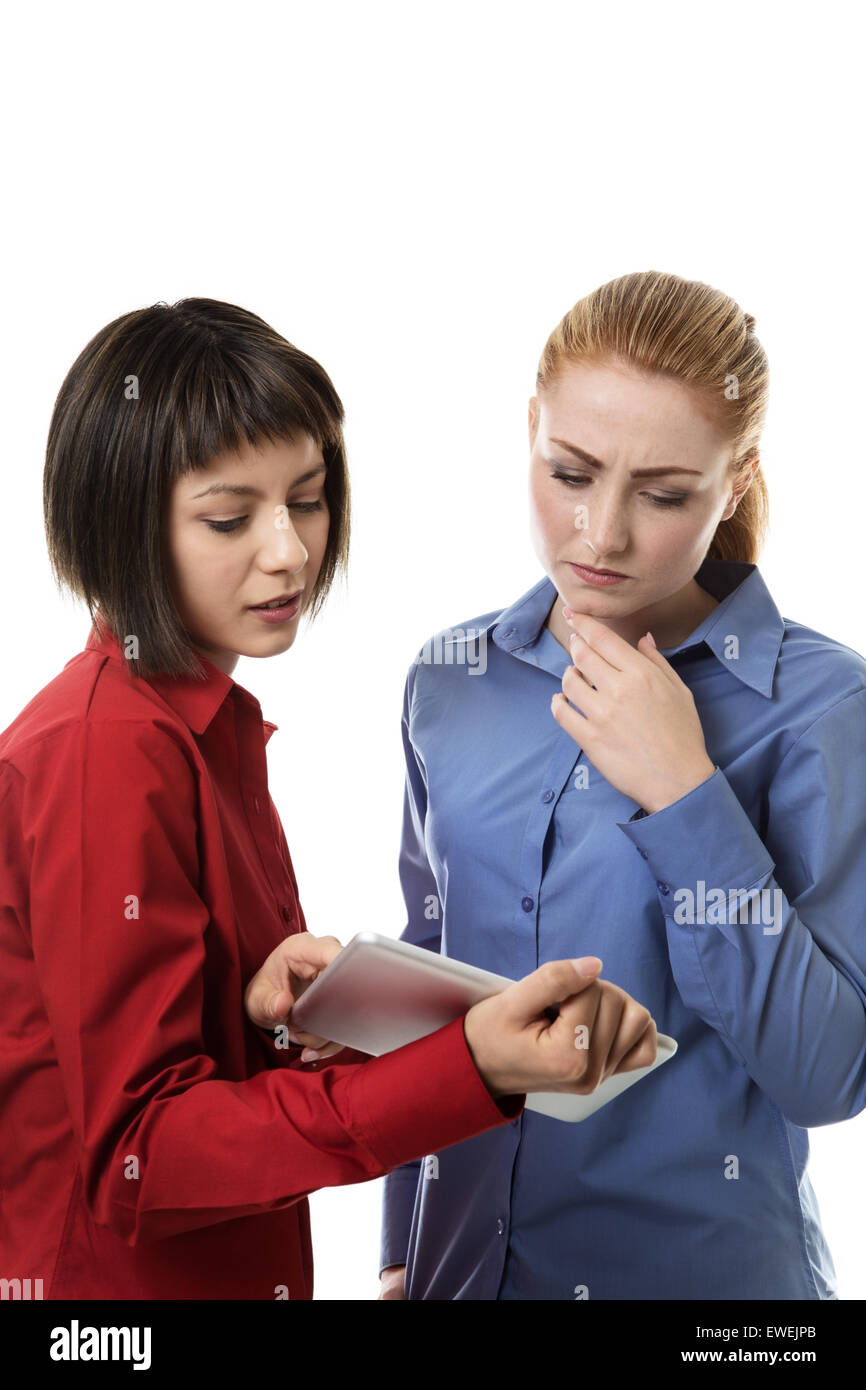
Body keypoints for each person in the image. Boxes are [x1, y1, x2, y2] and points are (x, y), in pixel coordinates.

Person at [0, 297, 658, 1301]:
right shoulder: (109, 747)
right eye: (228, 518)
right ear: (117, 520)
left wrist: (283, 1017)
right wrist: (469, 1065)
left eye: (305, 500)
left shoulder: (201, 726)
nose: (289, 552)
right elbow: (140, 1155)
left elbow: (174, 1068)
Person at [378, 270, 866, 1301]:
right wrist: (398, 1245)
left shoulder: (823, 707)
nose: (598, 535)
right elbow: (426, 976)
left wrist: (683, 790)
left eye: (661, 495)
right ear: (529, 432)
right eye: (568, 471)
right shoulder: (446, 681)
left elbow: (826, 1074)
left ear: (733, 483)